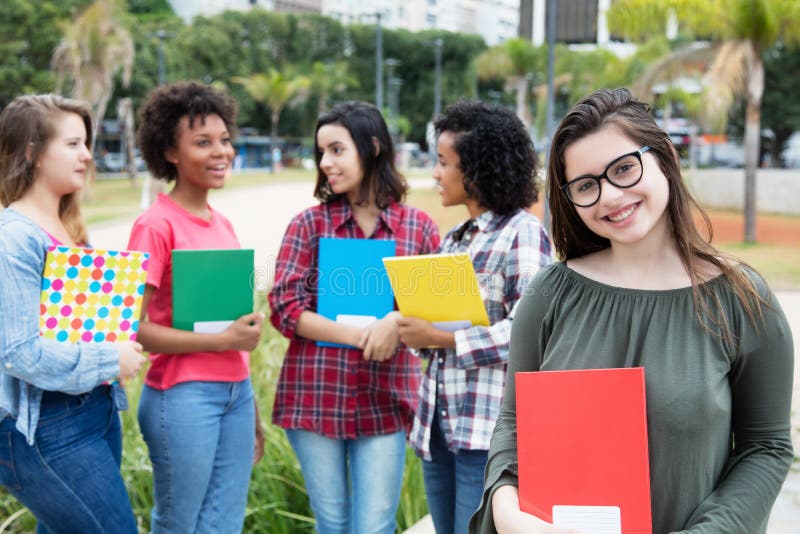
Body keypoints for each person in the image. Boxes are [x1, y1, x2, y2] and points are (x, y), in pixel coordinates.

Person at [470, 88, 794, 534]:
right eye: (586, 185)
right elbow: (513, 424)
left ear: (663, 158)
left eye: (624, 168)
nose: (609, 196)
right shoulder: (550, 294)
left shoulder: (742, 299)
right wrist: (508, 515)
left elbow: (766, 447)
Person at [269, 101, 440, 534]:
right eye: (321, 152)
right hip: (315, 396)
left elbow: (432, 315)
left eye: (337, 150)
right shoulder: (309, 225)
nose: (325, 162)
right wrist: (362, 334)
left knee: (374, 527)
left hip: (386, 400)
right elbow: (284, 308)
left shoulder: (419, 228)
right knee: (333, 524)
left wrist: (393, 325)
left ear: (373, 147)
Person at [395, 101, 553, 534]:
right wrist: (418, 329)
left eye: (444, 162)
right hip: (440, 425)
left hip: (484, 432)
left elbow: (531, 329)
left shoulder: (522, 232)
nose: (435, 173)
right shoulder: (454, 239)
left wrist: (442, 338)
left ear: (478, 168)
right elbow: (443, 324)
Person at [0, 94, 146, 532]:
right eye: (73, 144)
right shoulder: (13, 239)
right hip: (45, 429)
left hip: (92, 410)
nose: (87, 155)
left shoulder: (66, 228)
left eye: (86, 143)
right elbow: (21, 354)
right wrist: (111, 359)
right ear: (32, 152)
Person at [128, 81, 265, 533]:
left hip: (236, 394)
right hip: (182, 396)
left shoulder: (222, 223)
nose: (220, 151)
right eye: (202, 142)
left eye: (224, 140)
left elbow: (233, 327)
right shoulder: (154, 225)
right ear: (170, 151)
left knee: (223, 525)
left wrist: (253, 412)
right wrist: (222, 338)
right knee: (179, 524)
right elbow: (134, 327)